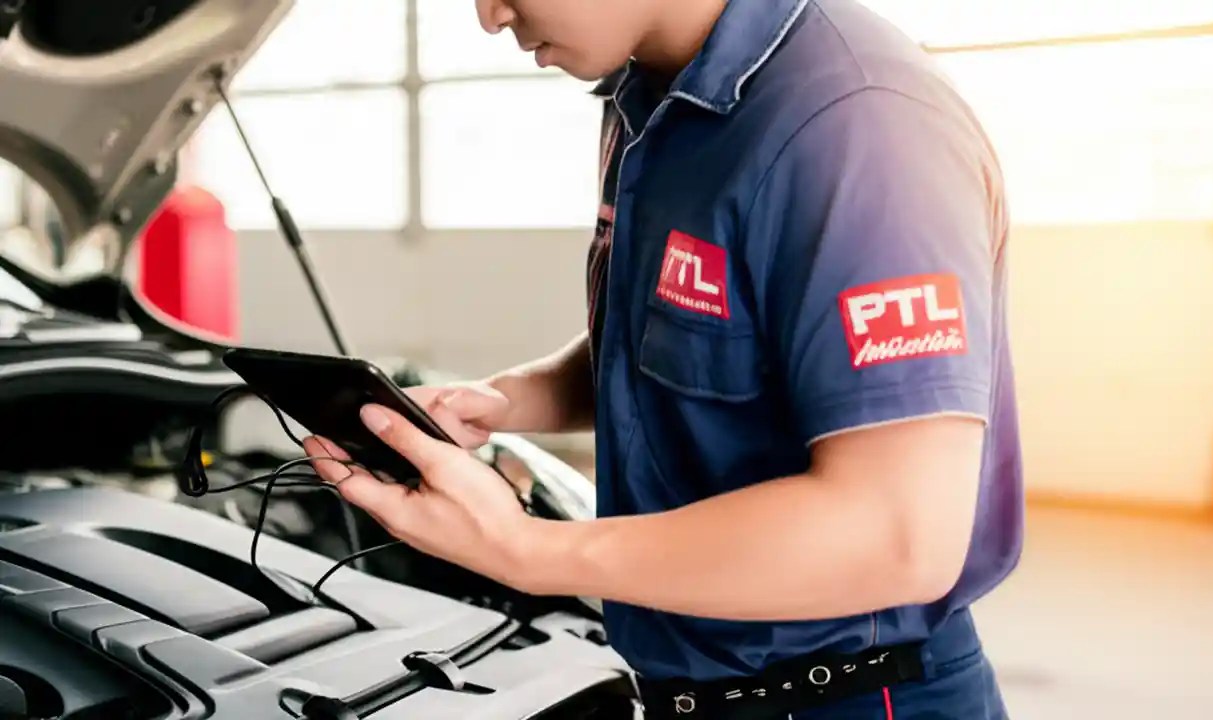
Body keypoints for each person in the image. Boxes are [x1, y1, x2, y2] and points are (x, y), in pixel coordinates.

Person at [303, 0, 1022, 717]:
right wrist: (512, 399)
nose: (490, 15)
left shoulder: (857, 123)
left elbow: (896, 535)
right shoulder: (647, 97)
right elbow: (692, 331)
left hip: (855, 698)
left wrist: (529, 551)